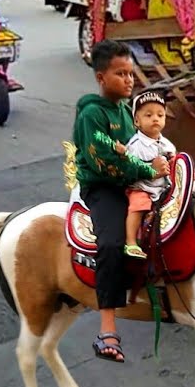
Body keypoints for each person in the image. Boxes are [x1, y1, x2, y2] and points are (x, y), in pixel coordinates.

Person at [71, 40, 169, 363]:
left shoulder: (127, 111)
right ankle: (107, 328)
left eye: (131, 73)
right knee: (112, 244)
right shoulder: (92, 116)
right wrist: (148, 169)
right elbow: (107, 164)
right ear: (101, 78)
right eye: (121, 73)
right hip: (105, 188)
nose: (129, 80)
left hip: (135, 182)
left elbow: (141, 145)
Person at [122, 90, 176, 259]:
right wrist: (149, 169)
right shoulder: (135, 145)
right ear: (137, 121)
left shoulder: (166, 144)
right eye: (149, 115)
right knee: (139, 206)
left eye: (160, 115)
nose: (155, 119)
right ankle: (130, 241)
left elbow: (174, 161)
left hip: (162, 187)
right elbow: (130, 167)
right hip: (143, 187)